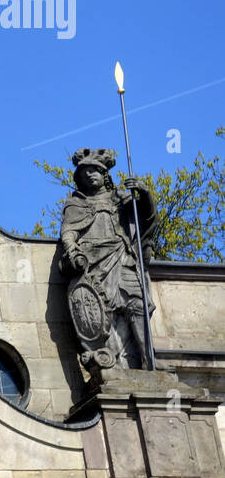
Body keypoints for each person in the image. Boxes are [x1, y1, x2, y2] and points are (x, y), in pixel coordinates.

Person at [60, 147, 157, 369]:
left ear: (105, 175)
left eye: (94, 171)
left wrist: (145, 194)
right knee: (104, 312)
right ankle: (112, 363)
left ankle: (148, 359)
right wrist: (72, 250)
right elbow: (68, 232)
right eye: (84, 173)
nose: (89, 175)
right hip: (93, 264)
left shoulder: (122, 201)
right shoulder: (76, 204)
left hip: (122, 258)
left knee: (137, 304)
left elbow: (148, 221)